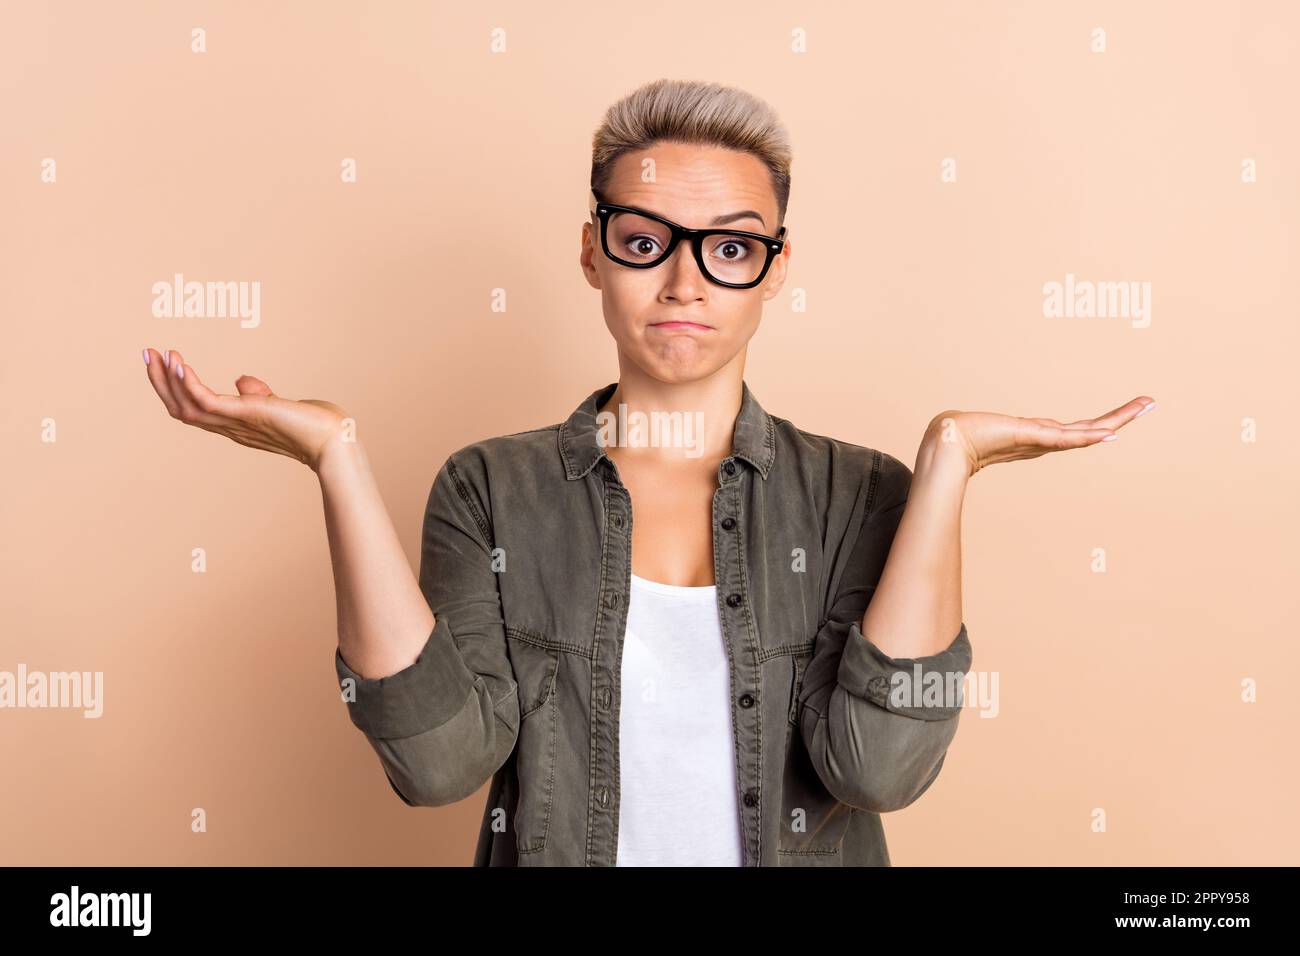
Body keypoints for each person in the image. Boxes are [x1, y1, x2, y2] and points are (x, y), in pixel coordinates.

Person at [142, 78, 1154, 866]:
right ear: (592, 253)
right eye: (643, 241)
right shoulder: (489, 489)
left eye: (728, 248)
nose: (682, 282)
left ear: (776, 266)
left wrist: (945, 469)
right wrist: (336, 458)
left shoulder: (861, 494)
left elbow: (879, 770)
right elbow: (436, 761)